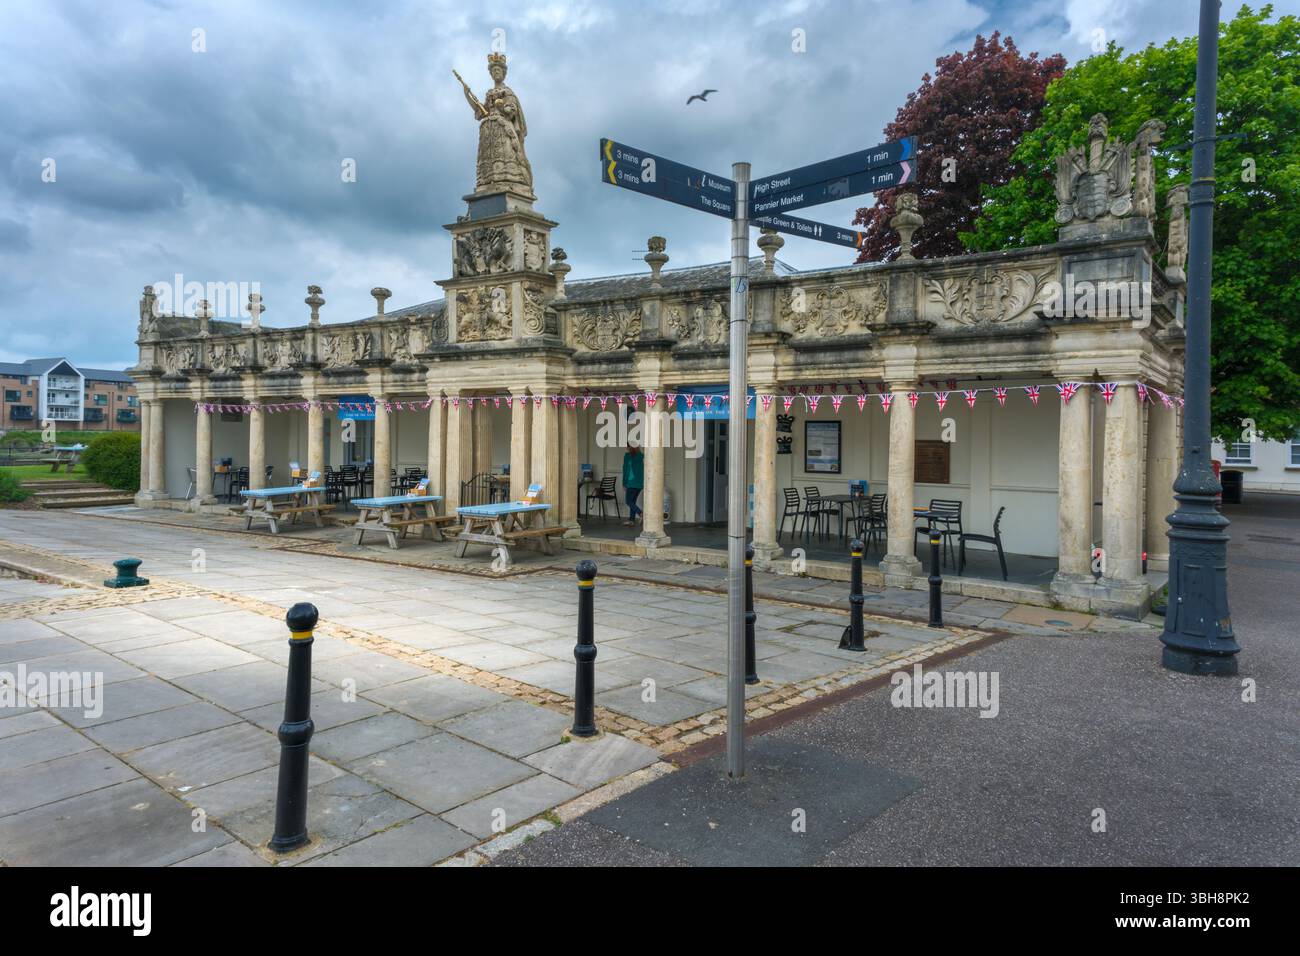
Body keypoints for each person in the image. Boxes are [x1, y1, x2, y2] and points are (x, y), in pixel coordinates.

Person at [621, 443, 644, 526]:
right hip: (639, 484)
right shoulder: (641, 456)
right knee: (633, 502)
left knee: (628, 501)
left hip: (631, 483)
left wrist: (624, 483)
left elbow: (625, 470)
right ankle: (631, 520)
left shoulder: (627, 456)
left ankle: (641, 513)